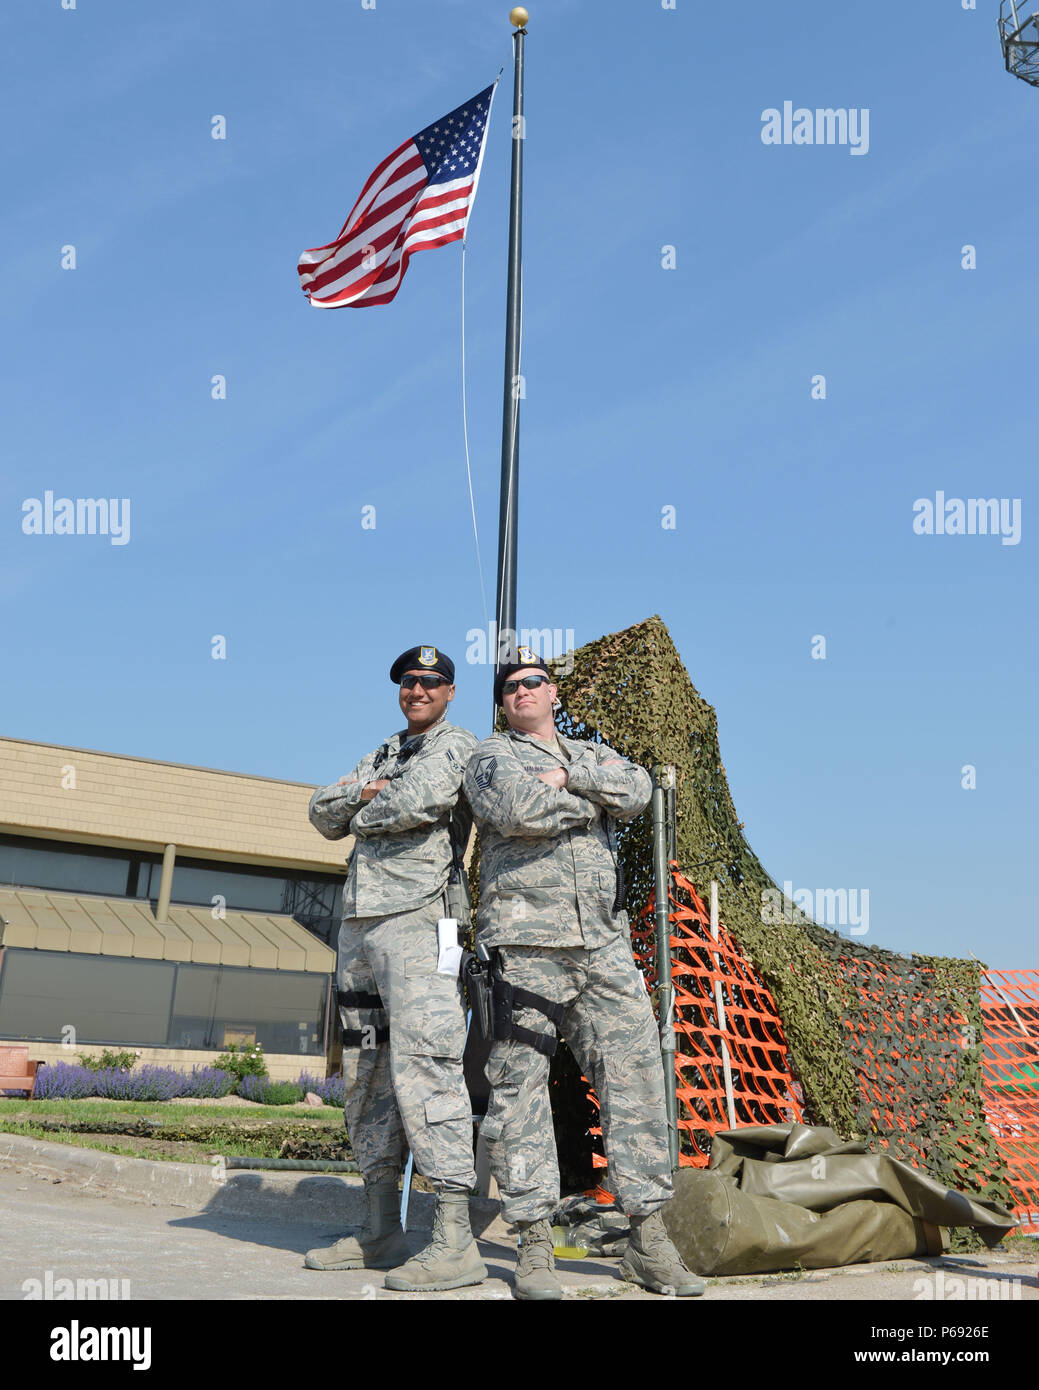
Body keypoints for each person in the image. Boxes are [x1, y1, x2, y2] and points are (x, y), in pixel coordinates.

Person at [463, 649, 704, 1300]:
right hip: (524, 942)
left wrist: (566, 782)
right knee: (520, 1088)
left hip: (600, 943)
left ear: (552, 694)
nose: (521, 691)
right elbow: (514, 813)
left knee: (634, 1079)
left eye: (532, 682)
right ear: (503, 702)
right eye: (509, 686)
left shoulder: (588, 755)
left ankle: (647, 1241)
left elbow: (640, 790)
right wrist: (586, 797)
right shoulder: (488, 758)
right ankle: (535, 1245)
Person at [305, 645, 485, 1292]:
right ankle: (381, 1228)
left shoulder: (457, 744)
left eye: (430, 681)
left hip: (418, 921)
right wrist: (365, 790)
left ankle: (454, 1242)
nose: (417, 689)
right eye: (408, 681)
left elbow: (417, 803)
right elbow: (319, 814)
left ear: (449, 690)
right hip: (358, 922)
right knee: (365, 1070)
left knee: (428, 1066)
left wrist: (362, 803)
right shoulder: (383, 752)